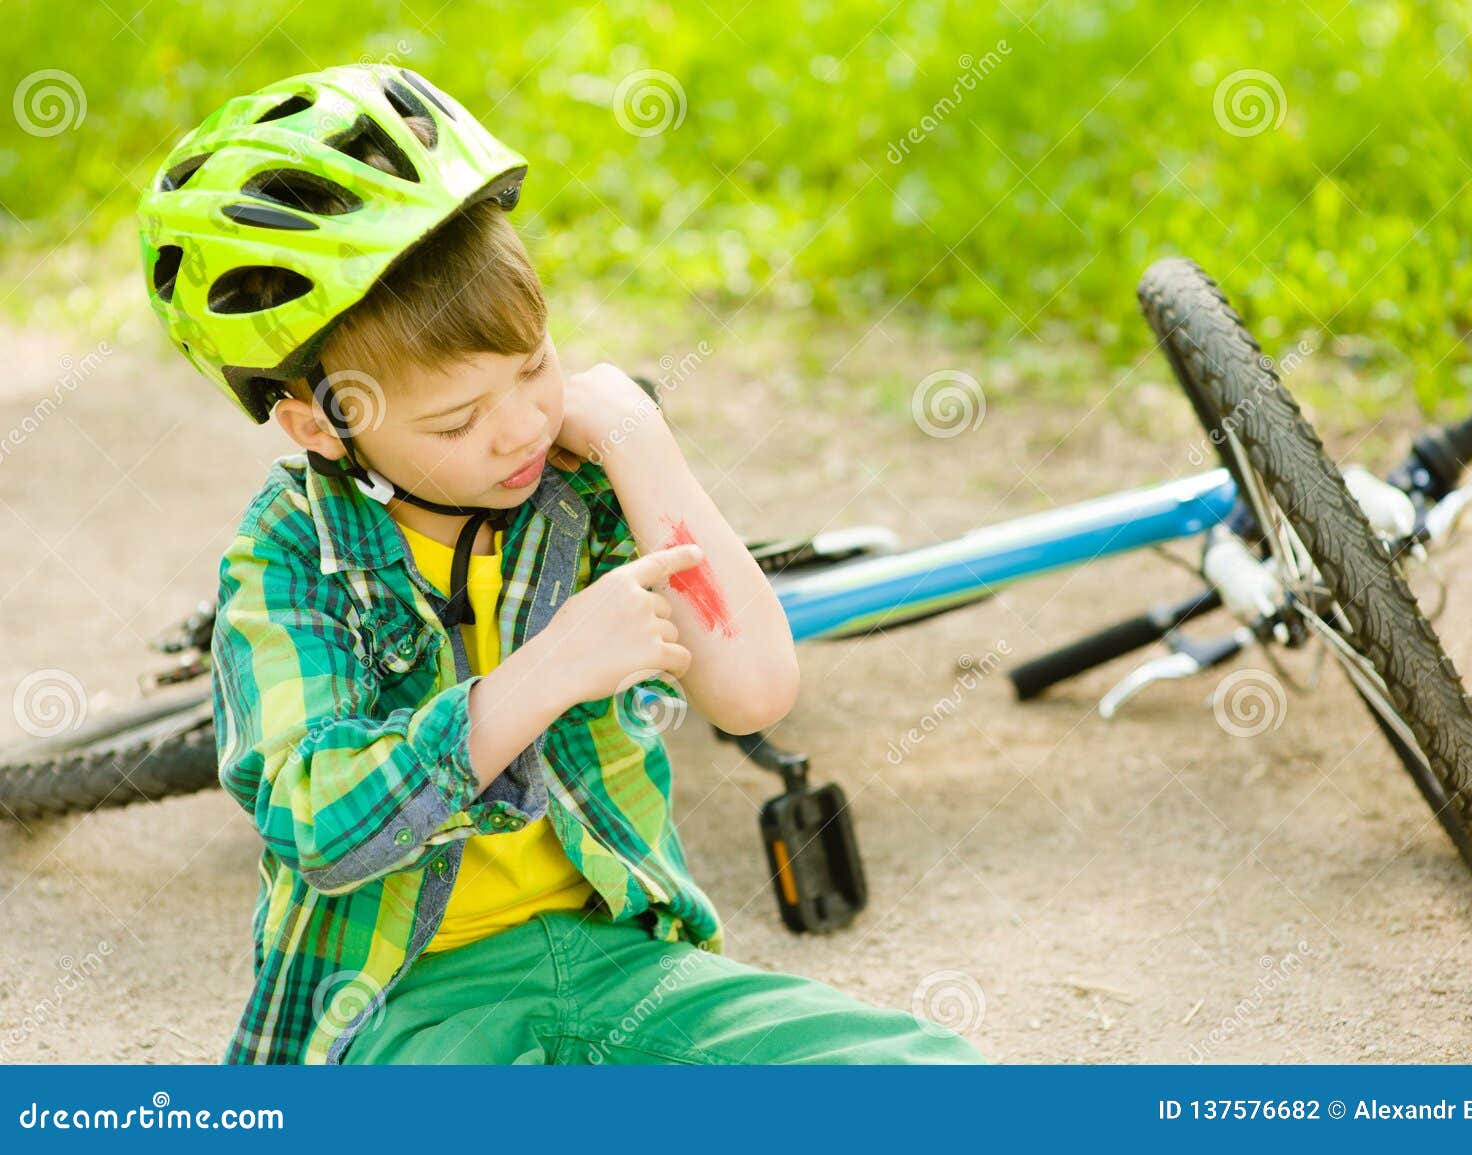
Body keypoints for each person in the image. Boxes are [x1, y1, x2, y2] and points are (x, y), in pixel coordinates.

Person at [136, 62, 986, 1066]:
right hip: (403, 1002)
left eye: (535, 365)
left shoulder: (575, 491)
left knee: (930, 1077)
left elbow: (753, 691)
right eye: (458, 418)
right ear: (317, 424)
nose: (521, 429)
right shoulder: (284, 556)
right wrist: (545, 673)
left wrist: (635, 435)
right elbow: (322, 826)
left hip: (623, 963)